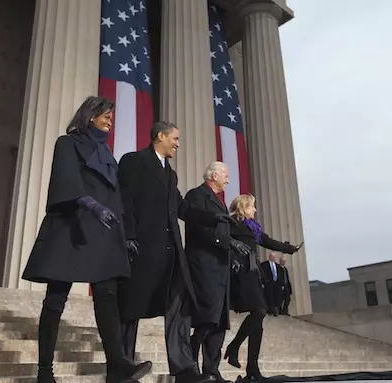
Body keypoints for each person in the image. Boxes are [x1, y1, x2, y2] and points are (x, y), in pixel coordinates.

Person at [21, 96, 152, 383]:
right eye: (106, 115)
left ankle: (116, 365)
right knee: (56, 300)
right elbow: (66, 180)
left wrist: (126, 234)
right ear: (90, 115)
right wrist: (91, 205)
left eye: (111, 117)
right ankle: (45, 372)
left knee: (107, 297)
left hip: (103, 234)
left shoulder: (107, 154)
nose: (110, 120)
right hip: (71, 229)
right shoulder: (68, 143)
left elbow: (116, 197)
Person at [117, 121, 236, 383]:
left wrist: (214, 217)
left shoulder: (170, 174)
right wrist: (129, 235)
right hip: (142, 248)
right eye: (175, 138)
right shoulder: (134, 161)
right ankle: (122, 365)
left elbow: (181, 208)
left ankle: (183, 369)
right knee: (131, 306)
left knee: (180, 308)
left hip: (172, 254)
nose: (178, 144)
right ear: (160, 136)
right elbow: (123, 199)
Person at [184, 162, 252, 383]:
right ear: (213, 175)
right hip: (203, 265)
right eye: (225, 175)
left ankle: (211, 369)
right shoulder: (197, 196)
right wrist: (229, 243)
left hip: (221, 266)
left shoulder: (221, 205)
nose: (228, 180)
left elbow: (222, 233)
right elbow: (198, 227)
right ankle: (190, 365)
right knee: (208, 317)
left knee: (220, 320)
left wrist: (231, 255)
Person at [224, 194, 301, 381]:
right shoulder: (232, 222)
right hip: (240, 273)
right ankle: (233, 346)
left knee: (258, 322)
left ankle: (253, 369)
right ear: (243, 207)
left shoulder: (253, 227)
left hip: (253, 273)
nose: (255, 210)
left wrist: (288, 249)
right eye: (252, 207)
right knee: (259, 311)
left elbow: (267, 241)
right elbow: (224, 242)